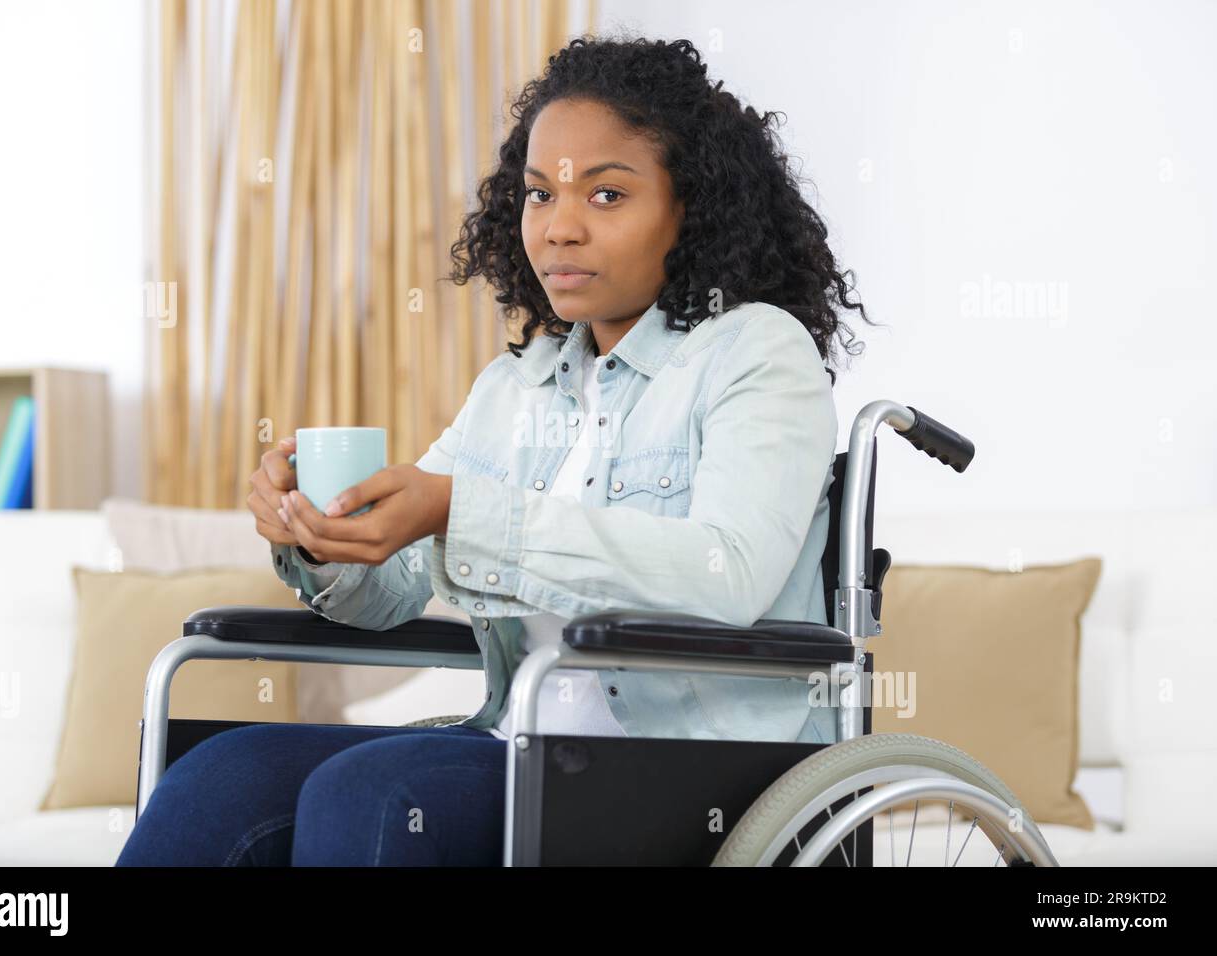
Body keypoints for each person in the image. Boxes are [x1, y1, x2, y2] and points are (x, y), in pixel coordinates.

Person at [116, 34, 877, 867]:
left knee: (372, 791)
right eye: (539, 196)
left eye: (608, 196)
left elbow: (724, 573)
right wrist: (320, 535)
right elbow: (396, 589)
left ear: (688, 209)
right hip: (523, 748)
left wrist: (460, 512)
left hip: (696, 773)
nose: (560, 229)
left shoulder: (757, 354)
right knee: (225, 771)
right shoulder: (517, 388)